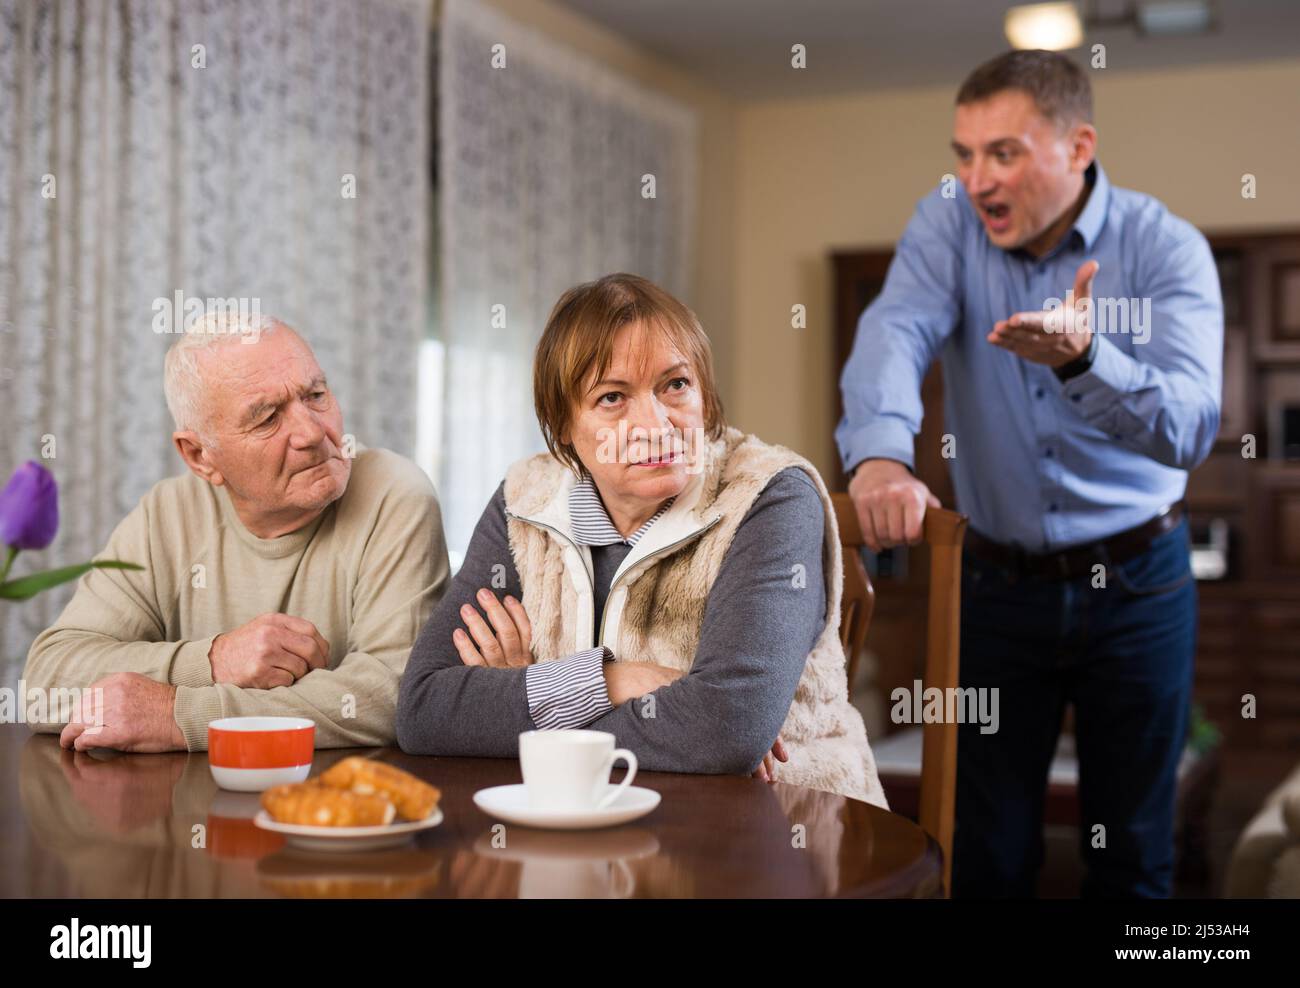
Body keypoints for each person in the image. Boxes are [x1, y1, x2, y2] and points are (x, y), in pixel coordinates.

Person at [837, 49, 1222, 896]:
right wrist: (877, 457)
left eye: (1003, 153)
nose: (976, 180)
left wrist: (1088, 359)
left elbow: (1192, 428)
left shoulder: (1168, 251)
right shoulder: (946, 225)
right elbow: (894, 332)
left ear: (1079, 147)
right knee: (989, 847)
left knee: (1132, 853)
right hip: (997, 587)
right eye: (964, 154)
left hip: (1141, 584)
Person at [397, 273, 887, 807]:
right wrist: (616, 680)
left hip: (784, 830)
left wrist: (531, 696)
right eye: (612, 397)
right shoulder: (525, 500)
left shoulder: (771, 497)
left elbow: (726, 731)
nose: (654, 423)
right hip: (593, 836)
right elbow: (424, 712)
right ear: (562, 423)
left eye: (675, 385)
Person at [24, 312, 449, 752]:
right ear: (199, 456)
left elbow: (394, 695)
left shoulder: (394, 493)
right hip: (186, 809)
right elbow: (45, 683)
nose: (311, 433)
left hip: (338, 809)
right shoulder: (165, 516)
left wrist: (180, 715)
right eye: (267, 419)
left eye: (316, 395)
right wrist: (212, 660)